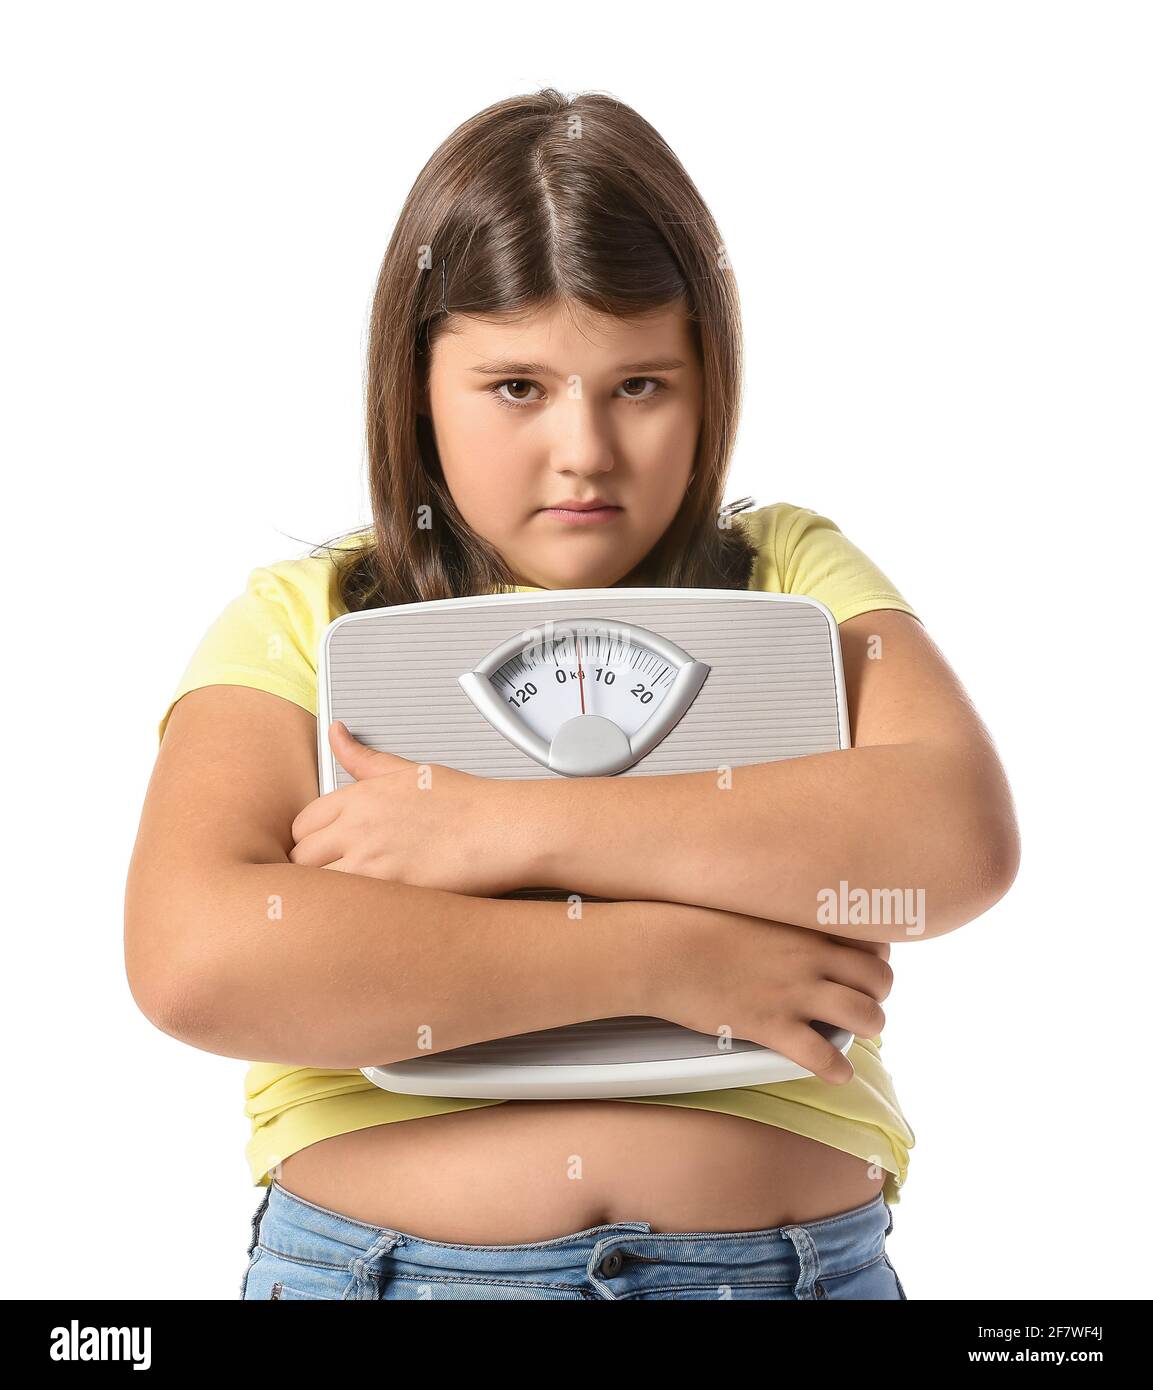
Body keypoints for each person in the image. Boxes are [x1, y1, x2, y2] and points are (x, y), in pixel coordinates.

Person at [125, 88, 1020, 1301]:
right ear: (416, 385)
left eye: (640, 384)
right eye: (517, 387)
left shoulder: (792, 575)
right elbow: (197, 961)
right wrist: (662, 962)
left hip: (784, 1273)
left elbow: (948, 841)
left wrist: (498, 826)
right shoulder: (307, 617)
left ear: (711, 379)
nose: (587, 450)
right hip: (393, 1273)